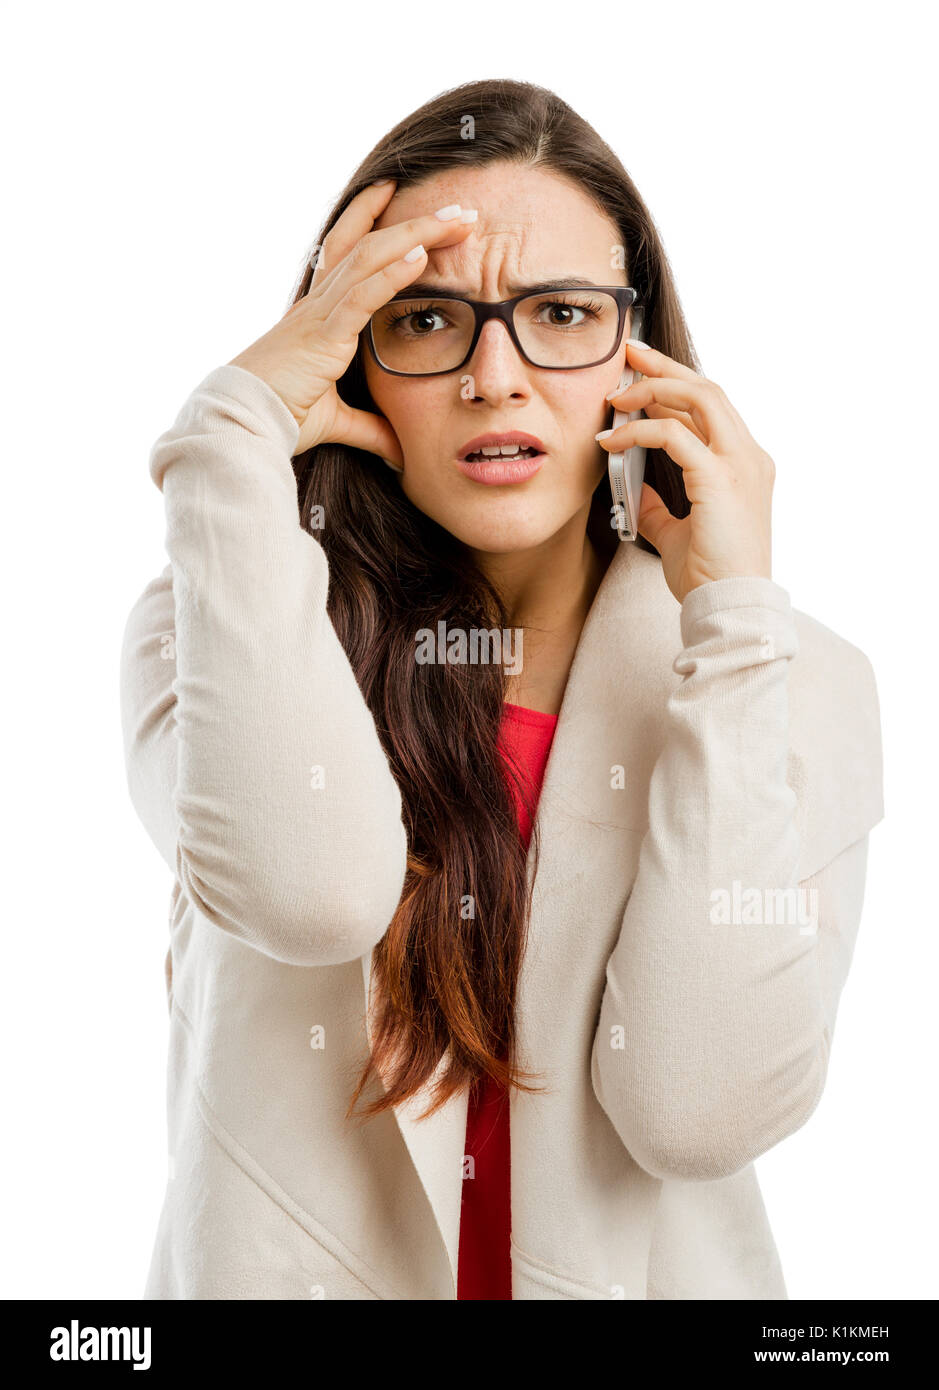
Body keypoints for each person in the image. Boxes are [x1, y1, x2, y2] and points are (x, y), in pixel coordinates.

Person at [119, 78, 883, 1300]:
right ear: (351, 359)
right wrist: (232, 433)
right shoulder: (220, 622)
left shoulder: (792, 682)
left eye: (562, 314)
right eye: (425, 319)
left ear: (643, 359)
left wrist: (734, 621)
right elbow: (310, 893)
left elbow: (698, 1105)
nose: (495, 376)